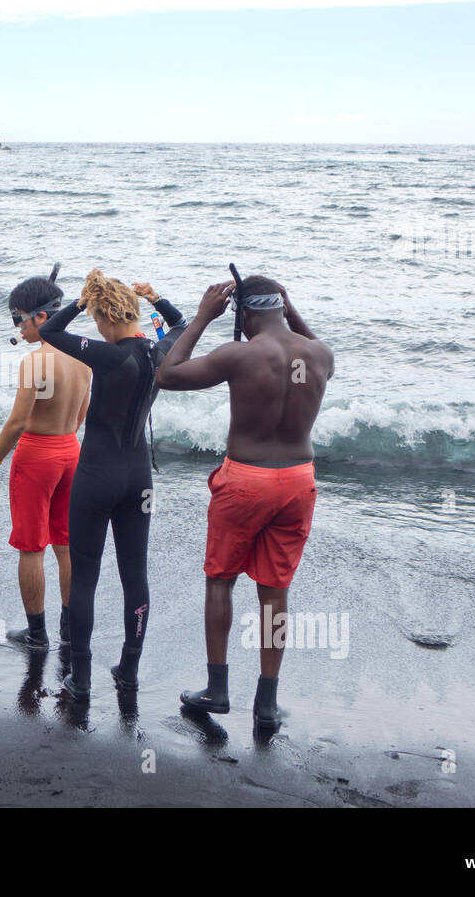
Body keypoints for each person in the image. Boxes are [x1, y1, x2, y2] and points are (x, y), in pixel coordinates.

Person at [156, 275, 333, 730]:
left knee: (221, 580)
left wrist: (200, 318)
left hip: (246, 481)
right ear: (283, 306)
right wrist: (290, 307)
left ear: (243, 313)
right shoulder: (320, 355)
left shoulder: (239, 355)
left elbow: (168, 374)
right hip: (298, 480)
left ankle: (217, 690)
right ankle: (267, 702)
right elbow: (310, 343)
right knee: (275, 593)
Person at [38, 271, 187, 700]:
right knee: (134, 574)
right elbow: (182, 325)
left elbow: (49, 329)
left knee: (85, 578)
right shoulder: (158, 351)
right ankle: (129, 669)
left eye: (98, 318)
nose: (97, 329)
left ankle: (81, 678)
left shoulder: (106, 355)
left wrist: (82, 302)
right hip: (138, 481)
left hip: (97, 477)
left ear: (104, 316)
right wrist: (157, 297)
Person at [0, 269, 91, 649]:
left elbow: (19, 420)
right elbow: (79, 416)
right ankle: (69, 628)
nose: (18, 329)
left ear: (41, 317)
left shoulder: (37, 362)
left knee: (31, 546)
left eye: (18, 319)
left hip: (38, 456)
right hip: (71, 452)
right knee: (66, 543)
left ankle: (37, 632)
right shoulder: (83, 355)